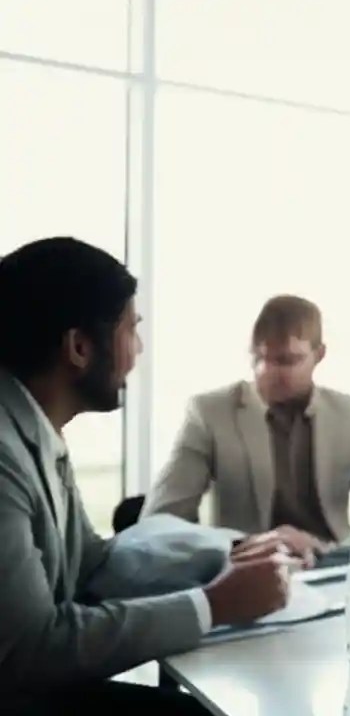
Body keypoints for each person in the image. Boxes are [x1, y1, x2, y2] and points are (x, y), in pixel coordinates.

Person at [0, 237, 292, 714]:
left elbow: (89, 566)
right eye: (131, 329)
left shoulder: (32, 426)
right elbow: (32, 649)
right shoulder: (3, 452)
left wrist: (226, 556)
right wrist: (213, 604)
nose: (138, 350)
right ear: (78, 347)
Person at [143, 295, 350, 560]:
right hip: (248, 568)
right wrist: (255, 543)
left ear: (319, 355)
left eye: (287, 361)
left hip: (338, 567)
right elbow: (161, 521)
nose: (267, 372)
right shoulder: (210, 414)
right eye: (259, 358)